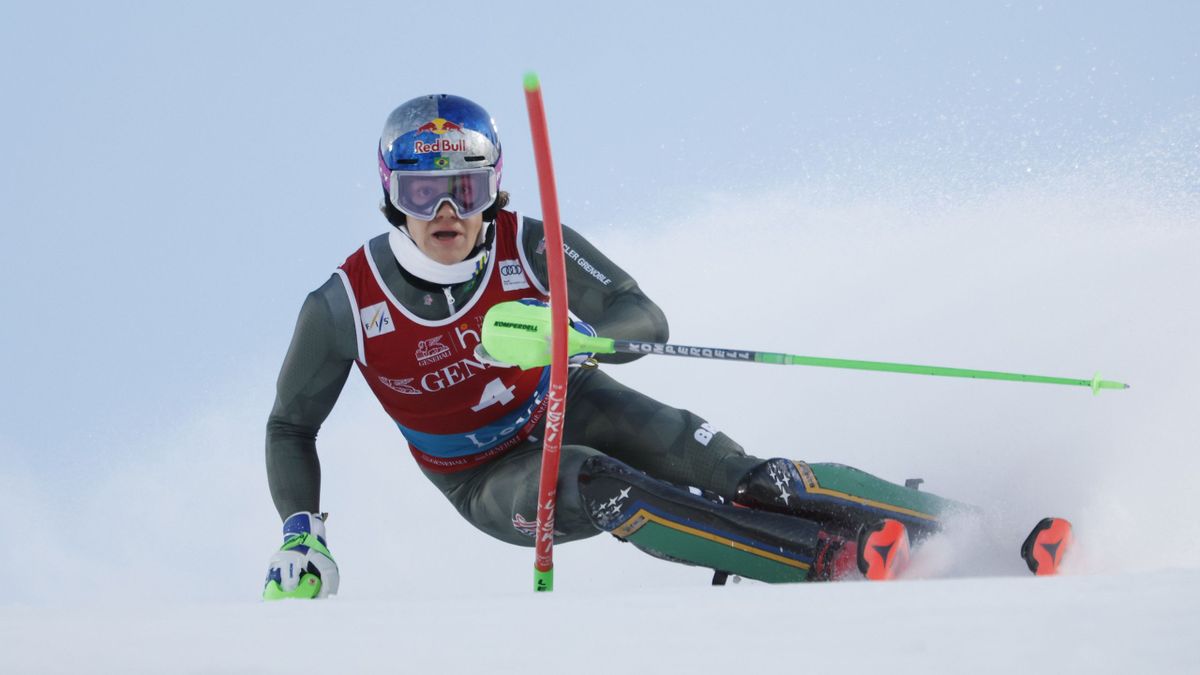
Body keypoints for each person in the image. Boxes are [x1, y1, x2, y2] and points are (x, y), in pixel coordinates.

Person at [263, 94, 1065, 599]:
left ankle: (977, 528)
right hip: (484, 474)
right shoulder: (344, 304)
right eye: (421, 191)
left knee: (754, 475)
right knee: (609, 489)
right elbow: (290, 427)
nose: (446, 210)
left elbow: (644, 314)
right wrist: (303, 531)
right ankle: (825, 559)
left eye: (466, 188)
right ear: (390, 196)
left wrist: (582, 338)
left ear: (493, 188)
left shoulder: (527, 243)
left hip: (574, 396)